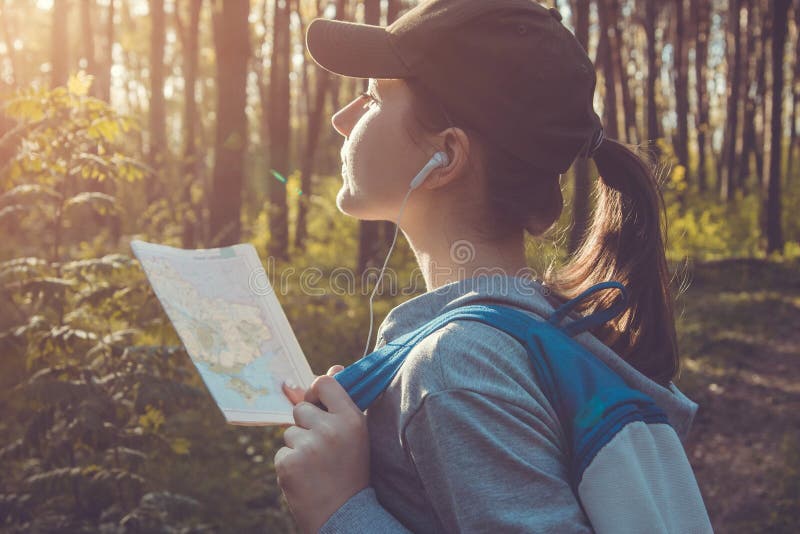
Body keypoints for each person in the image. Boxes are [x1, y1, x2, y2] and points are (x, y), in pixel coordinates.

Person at [273, 1, 714, 532]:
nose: (344, 119)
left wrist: (340, 509)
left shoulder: (458, 370)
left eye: (371, 96)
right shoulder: (539, 332)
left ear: (445, 156)